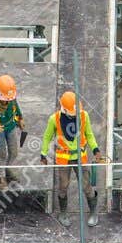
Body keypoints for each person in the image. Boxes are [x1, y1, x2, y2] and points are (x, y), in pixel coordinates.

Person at [41, 91, 103, 227]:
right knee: (63, 186)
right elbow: (47, 137)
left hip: (80, 157)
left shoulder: (84, 115)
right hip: (63, 159)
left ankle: (93, 212)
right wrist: (43, 154)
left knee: (86, 186)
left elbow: (89, 135)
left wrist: (96, 150)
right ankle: (63, 212)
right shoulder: (55, 119)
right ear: (64, 109)